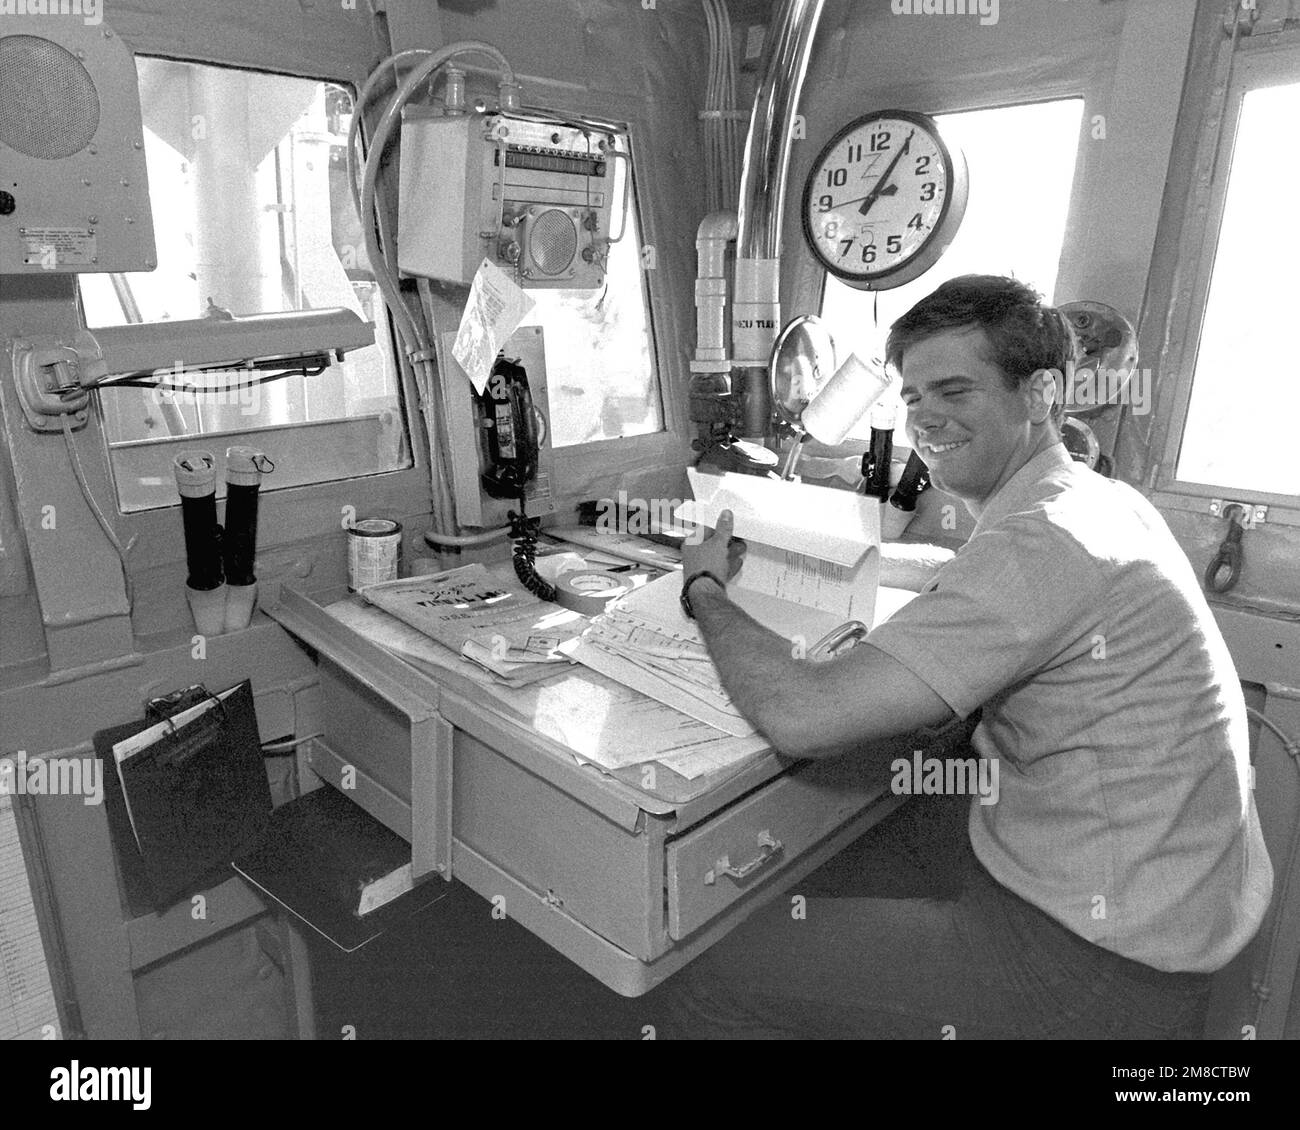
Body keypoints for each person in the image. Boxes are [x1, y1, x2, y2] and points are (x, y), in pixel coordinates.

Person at [665, 275, 1272, 1039]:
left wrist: (706, 588)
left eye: (955, 391)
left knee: (724, 966)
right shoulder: (1087, 497)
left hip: (1098, 969)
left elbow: (801, 716)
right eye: (914, 398)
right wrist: (839, 557)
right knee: (878, 833)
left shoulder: (1044, 540)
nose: (927, 420)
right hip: (1173, 902)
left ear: (1042, 391)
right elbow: (973, 580)